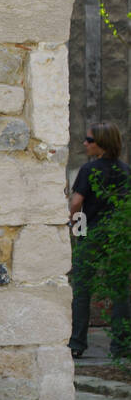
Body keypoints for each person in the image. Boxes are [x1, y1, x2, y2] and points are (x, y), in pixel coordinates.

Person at [69, 121, 131, 359]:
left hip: (91, 233)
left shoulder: (89, 170)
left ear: (102, 143)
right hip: (118, 236)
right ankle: (121, 347)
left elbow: (76, 202)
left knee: (82, 288)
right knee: (120, 290)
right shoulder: (125, 170)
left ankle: (77, 344)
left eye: (90, 140)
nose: (85, 143)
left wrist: (72, 221)